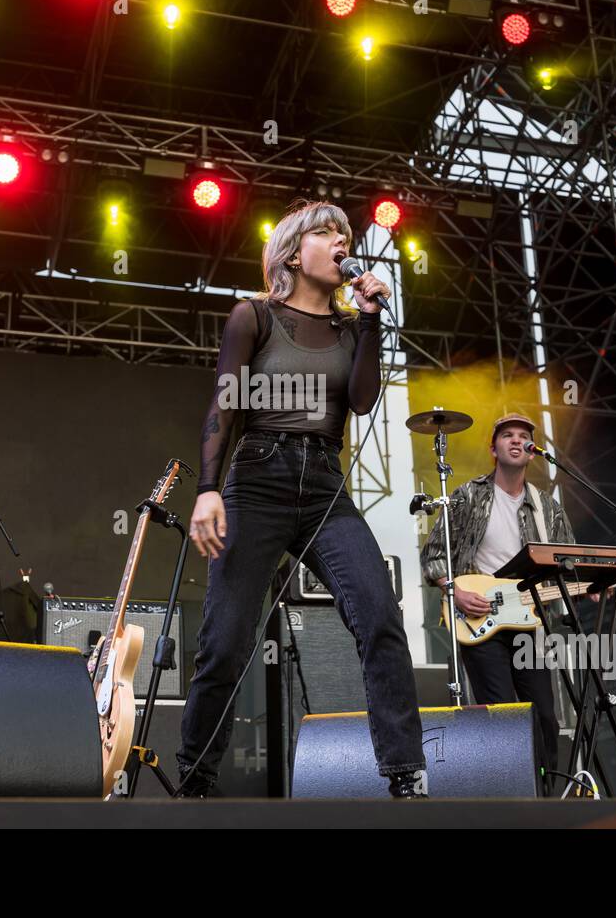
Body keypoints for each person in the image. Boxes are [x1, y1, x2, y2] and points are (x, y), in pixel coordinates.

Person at [180, 200, 427, 798]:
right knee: (226, 641)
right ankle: (195, 780)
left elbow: (364, 400)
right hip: (258, 478)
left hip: (324, 488)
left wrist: (368, 319)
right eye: (327, 232)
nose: (342, 241)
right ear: (293, 251)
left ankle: (405, 773)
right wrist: (208, 489)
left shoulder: (348, 327)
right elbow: (225, 404)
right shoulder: (254, 316)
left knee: (379, 617)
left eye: (345, 234)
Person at [419, 413, 575, 790]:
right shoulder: (468, 495)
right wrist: (455, 591)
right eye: (507, 435)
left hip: (531, 622)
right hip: (481, 620)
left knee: (544, 718)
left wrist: (598, 583)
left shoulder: (547, 507)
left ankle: (546, 799)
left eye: (524, 436)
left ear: (533, 452)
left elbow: (568, 562)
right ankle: (506, 798)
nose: (517, 440)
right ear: (494, 449)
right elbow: (434, 555)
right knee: (501, 714)